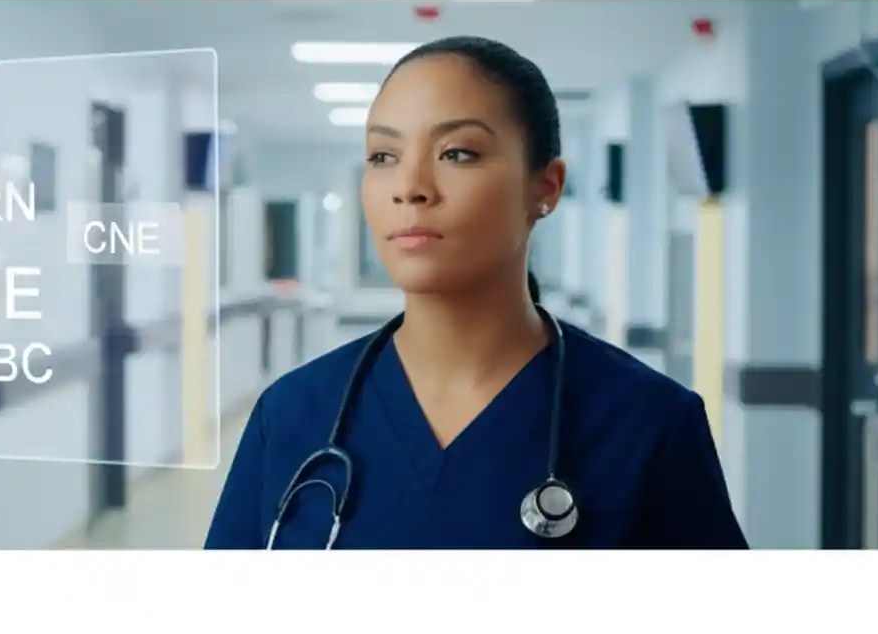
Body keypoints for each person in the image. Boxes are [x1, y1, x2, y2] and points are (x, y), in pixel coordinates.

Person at [205, 36, 748, 549]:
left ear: (546, 187)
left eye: (457, 153)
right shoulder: (293, 413)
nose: (410, 186)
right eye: (382, 156)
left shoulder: (647, 424)